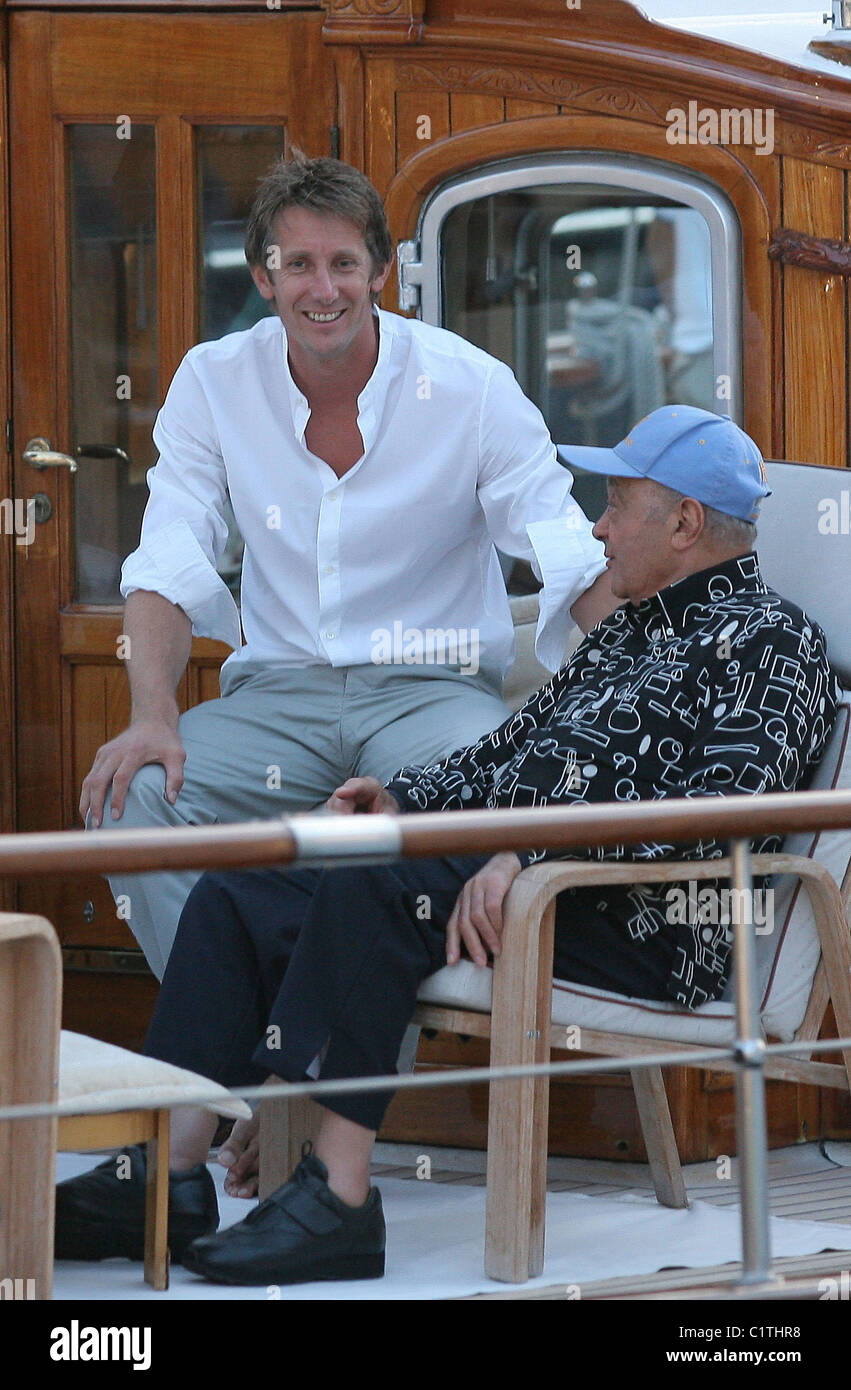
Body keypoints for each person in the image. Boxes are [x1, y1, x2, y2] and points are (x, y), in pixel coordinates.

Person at [57, 405, 839, 1285]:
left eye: (617, 505)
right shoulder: (625, 632)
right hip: (521, 881)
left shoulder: (772, 645)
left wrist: (531, 861)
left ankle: (340, 1195)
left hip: (640, 924)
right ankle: (167, 1170)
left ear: (685, 523)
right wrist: (399, 796)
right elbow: (505, 752)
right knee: (240, 892)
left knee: (389, 880)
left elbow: (715, 814)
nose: (599, 526)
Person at [78, 153, 612, 986]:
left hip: (430, 695)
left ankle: (322, 1064)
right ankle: (231, 1055)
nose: (321, 289)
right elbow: (170, 552)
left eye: (342, 264)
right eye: (298, 265)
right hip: (278, 697)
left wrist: (646, 665)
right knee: (134, 796)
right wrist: (153, 715)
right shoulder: (213, 382)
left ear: (382, 272)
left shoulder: (470, 387)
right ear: (263, 276)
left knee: (501, 802)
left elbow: (560, 544)